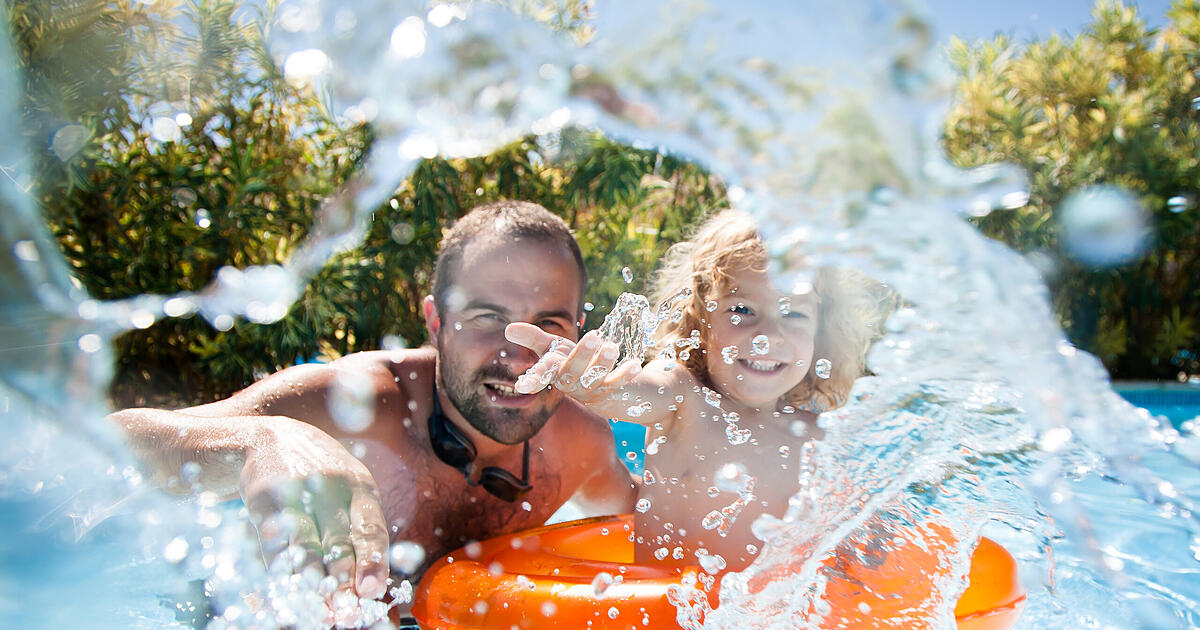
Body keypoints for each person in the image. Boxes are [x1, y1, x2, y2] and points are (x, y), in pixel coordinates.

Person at [109, 201, 637, 618]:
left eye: (549, 325)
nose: (520, 355)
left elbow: (666, 527)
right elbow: (113, 441)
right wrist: (263, 442)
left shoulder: (580, 442)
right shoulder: (355, 403)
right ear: (435, 322)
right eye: (486, 317)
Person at [507, 209, 888, 573]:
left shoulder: (819, 438)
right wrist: (596, 387)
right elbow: (638, 392)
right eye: (741, 310)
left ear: (821, 334)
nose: (768, 335)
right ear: (702, 321)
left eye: (794, 314)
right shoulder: (684, 398)